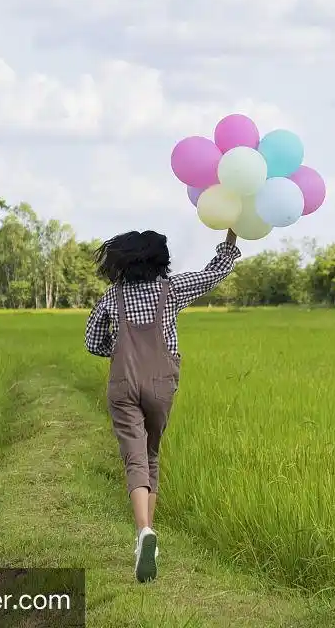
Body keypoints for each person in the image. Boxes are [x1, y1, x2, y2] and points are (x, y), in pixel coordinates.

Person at [84, 228, 241, 583]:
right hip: (160, 385)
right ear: (160, 260)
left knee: (134, 459)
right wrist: (230, 243)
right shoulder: (172, 290)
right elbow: (213, 274)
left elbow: (92, 341)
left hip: (123, 383)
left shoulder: (113, 297)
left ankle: (143, 534)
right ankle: (147, 534)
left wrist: (120, 351)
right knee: (152, 454)